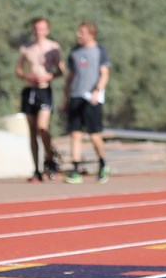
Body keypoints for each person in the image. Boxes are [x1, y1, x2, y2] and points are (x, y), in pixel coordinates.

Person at [62, 21, 112, 184]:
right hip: (75, 95)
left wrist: (97, 90)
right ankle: (76, 170)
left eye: (82, 32)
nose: (78, 34)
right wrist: (65, 96)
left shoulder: (99, 51)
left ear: (91, 34)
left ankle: (102, 163)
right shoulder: (75, 52)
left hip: (92, 98)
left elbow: (104, 73)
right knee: (75, 133)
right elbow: (71, 75)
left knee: (94, 135)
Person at [16, 17, 64, 181]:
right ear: (33, 30)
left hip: (44, 90)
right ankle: (36, 169)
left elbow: (61, 70)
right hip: (30, 91)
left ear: (47, 30)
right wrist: (26, 76)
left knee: (42, 127)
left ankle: (50, 159)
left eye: (42, 28)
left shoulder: (53, 47)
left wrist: (48, 76)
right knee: (32, 132)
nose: (39, 32)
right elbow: (19, 70)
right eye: (36, 28)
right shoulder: (26, 48)